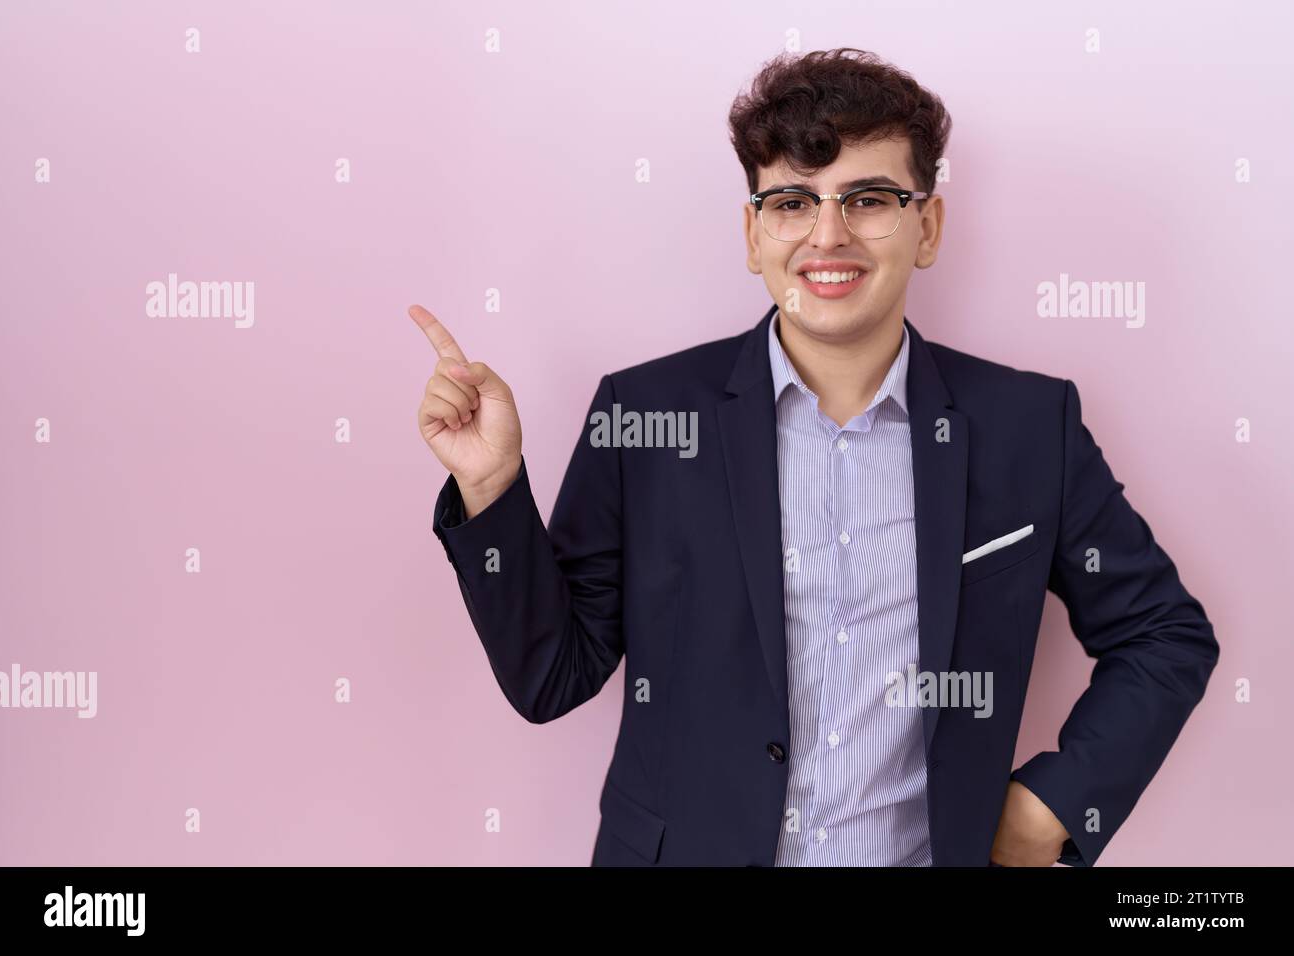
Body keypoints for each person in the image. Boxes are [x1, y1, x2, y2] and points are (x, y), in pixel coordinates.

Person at [410, 48, 1218, 867]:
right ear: (754, 232)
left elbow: (1164, 634)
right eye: (792, 201)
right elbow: (552, 677)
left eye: (869, 199)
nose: (827, 235)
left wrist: (1052, 806)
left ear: (927, 226)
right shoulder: (645, 415)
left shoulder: (1027, 425)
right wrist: (491, 487)